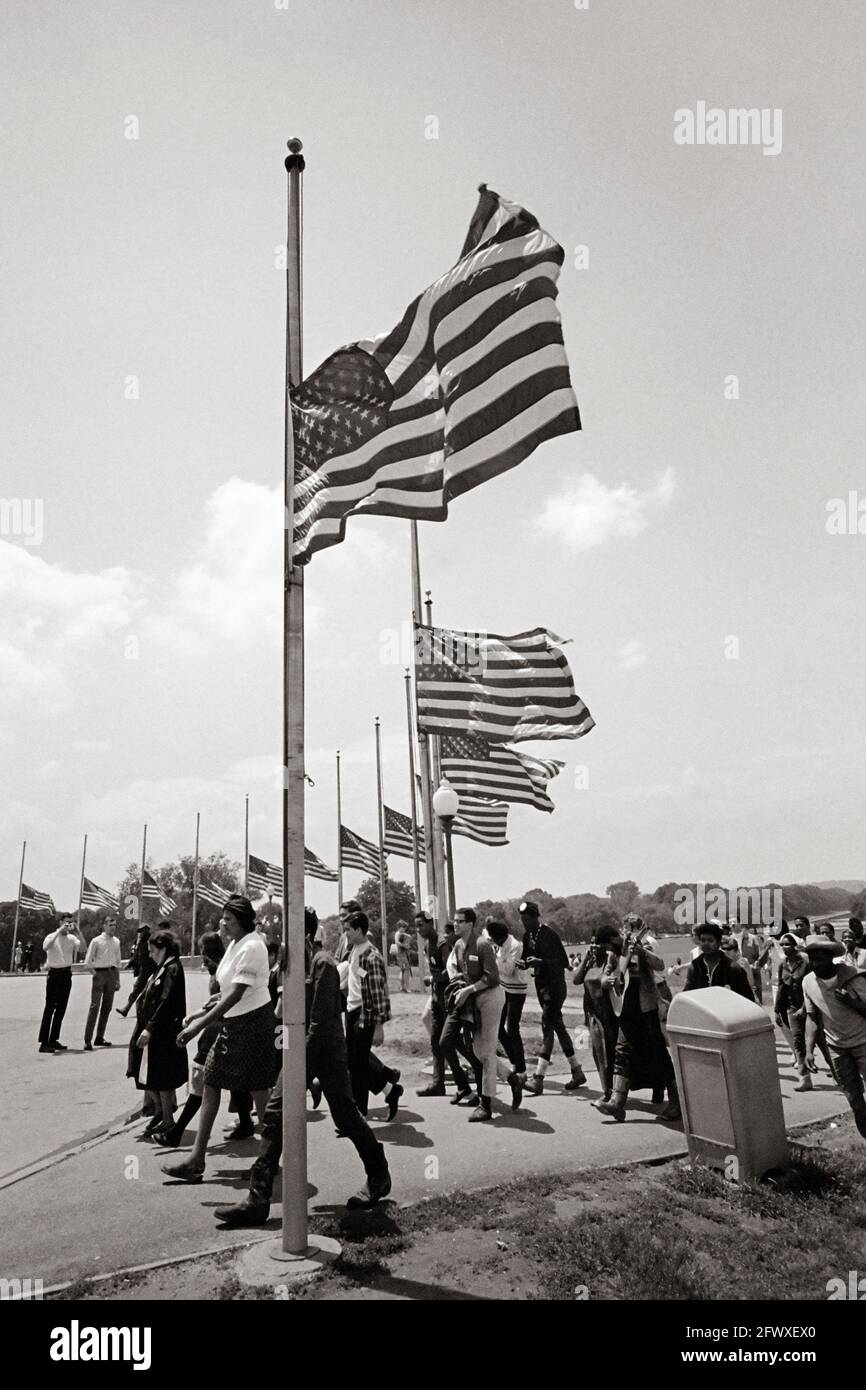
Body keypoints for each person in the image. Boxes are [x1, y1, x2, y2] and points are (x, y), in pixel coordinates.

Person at [215, 909, 391, 1223]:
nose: (283, 940)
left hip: (326, 1050)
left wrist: (298, 1066)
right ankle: (258, 1198)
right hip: (301, 1050)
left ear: (305, 935)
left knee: (346, 1116)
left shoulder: (322, 963)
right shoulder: (290, 963)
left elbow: (321, 1024)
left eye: (289, 934)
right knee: (273, 1114)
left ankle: (378, 1174)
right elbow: (282, 1011)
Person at [162, 895, 278, 1183]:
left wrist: (198, 1026)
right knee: (213, 1081)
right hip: (235, 1023)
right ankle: (197, 1158)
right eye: (223, 917)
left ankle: (269, 1160)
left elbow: (237, 993)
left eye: (228, 919)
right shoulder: (236, 945)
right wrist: (199, 1012)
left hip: (252, 1024)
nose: (222, 923)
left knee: (260, 1092)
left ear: (241, 921)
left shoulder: (252, 946)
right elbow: (226, 990)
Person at [595, 918, 680, 1123]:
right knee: (621, 1052)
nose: (607, 948)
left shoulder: (642, 945)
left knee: (659, 1053)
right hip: (625, 1010)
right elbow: (603, 979)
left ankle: (677, 1101)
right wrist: (610, 981)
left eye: (608, 943)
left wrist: (641, 952)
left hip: (646, 1008)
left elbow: (659, 965)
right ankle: (617, 1101)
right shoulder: (613, 955)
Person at [442, 910, 521, 1120]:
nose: (456, 925)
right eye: (455, 921)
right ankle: (512, 1079)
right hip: (474, 999)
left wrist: (468, 990)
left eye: (460, 922)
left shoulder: (482, 945)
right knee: (478, 1050)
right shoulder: (458, 946)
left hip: (491, 998)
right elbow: (463, 972)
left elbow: (493, 978)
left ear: (470, 924)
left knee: (485, 1052)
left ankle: (486, 1105)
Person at [155, 931, 225, 1148]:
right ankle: (246, 1122)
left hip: (218, 1028)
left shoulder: (223, 971)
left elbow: (222, 1002)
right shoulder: (219, 970)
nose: (202, 960)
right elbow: (214, 1001)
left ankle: (176, 1132)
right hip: (217, 1026)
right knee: (237, 1084)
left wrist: (196, 1024)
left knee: (200, 1076)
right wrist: (196, 1015)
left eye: (204, 954)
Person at [518, 901, 586, 1095]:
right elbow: (526, 957)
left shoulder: (549, 934)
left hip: (555, 987)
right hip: (541, 987)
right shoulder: (527, 936)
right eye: (522, 920)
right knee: (558, 1027)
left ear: (535, 917)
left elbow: (563, 962)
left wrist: (541, 962)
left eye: (527, 919)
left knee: (547, 1026)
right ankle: (577, 1071)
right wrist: (523, 964)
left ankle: (538, 1077)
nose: (524, 923)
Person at [802, 935, 866, 1139]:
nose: (815, 964)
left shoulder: (855, 977)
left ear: (831, 958)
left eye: (820, 959)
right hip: (837, 1047)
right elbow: (812, 1018)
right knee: (853, 1098)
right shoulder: (808, 981)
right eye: (811, 959)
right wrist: (809, 1050)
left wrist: (853, 1003)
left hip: (864, 1043)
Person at [341, 911, 403, 1120]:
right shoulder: (355, 951)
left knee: (356, 1067)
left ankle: (359, 1114)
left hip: (363, 1014)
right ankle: (390, 1090)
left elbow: (378, 994)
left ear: (359, 930)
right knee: (354, 1063)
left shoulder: (372, 956)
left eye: (348, 929)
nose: (345, 933)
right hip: (352, 1011)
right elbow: (359, 981)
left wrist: (378, 1026)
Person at [128, 930, 188, 1137]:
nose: (151, 955)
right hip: (155, 1032)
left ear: (162, 949)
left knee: (162, 1077)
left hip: (163, 1032)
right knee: (149, 1074)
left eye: (153, 951)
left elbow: (166, 1001)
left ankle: (168, 1120)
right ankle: (162, 1114)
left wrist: (149, 1028)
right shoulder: (162, 967)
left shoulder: (171, 969)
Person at [416, 916, 465, 1097]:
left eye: (421, 925)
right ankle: (438, 1083)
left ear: (430, 924)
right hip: (436, 998)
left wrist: (433, 978)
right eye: (416, 926)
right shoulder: (428, 945)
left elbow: (450, 971)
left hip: (447, 998)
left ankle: (476, 1070)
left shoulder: (442, 944)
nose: (419, 929)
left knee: (453, 1042)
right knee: (436, 1042)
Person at [573, 927, 619, 1106]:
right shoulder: (590, 961)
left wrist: (607, 958)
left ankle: (614, 1092)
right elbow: (576, 980)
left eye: (597, 943)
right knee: (599, 1053)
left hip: (609, 1012)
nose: (594, 946)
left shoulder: (611, 959)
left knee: (611, 1052)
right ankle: (607, 1091)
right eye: (592, 943)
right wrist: (586, 959)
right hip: (592, 1013)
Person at [485, 916, 527, 1082]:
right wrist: (498, 960)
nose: (493, 941)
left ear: (499, 936)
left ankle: (521, 1068)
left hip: (516, 990)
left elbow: (508, 969)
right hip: (504, 989)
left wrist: (495, 961)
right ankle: (515, 1061)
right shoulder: (500, 946)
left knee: (513, 1028)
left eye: (493, 938)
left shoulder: (515, 946)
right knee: (498, 1028)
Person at [38, 917, 86, 1052]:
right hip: (54, 974)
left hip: (66, 974)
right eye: (66, 922)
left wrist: (78, 932)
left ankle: (53, 1039)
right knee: (50, 1008)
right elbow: (45, 947)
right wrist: (59, 931)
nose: (68, 924)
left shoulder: (71, 938)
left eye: (70, 922)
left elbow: (83, 948)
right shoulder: (51, 937)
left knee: (61, 1008)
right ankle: (43, 1042)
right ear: (60, 923)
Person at [682, 923, 755, 999]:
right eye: (703, 940)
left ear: (718, 943)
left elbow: (747, 999)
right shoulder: (695, 966)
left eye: (710, 940)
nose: (706, 944)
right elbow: (687, 995)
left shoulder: (734, 969)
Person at [83, 916, 122, 1049]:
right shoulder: (96, 941)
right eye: (110, 925)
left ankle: (99, 1037)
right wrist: (96, 975)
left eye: (115, 925)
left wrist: (117, 980)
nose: (113, 927)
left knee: (107, 1008)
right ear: (104, 926)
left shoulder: (116, 941)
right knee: (95, 1007)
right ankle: (87, 1040)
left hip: (111, 974)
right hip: (99, 974)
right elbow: (87, 963)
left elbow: (117, 962)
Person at [117, 924, 155, 1018]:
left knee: (143, 988)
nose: (141, 933)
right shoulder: (139, 942)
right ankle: (127, 1008)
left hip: (151, 967)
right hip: (143, 968)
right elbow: (136, 955)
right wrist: (130, 964)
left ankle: (127, 1008)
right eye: (140, 931)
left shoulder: (152, 941)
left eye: (143, 931)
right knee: (139, 988)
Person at [737, 926, 765, 1003]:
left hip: (753, 967)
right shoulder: (736, 938)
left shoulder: (754, 938)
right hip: (741, 967)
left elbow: (761, 952)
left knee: (756, 989)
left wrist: (757, 962)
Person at [393, 920, 412, 993]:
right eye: (403, 927)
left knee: (403, 970)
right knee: (406, 970)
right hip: (401, 955)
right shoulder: (398, 934)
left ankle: (402, 986)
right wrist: (405, 946)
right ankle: (407, 987)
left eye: (405, 928)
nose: (404, 929)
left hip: (402, 954)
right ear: (399, 927)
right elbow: (397, 942)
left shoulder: (401, 934)